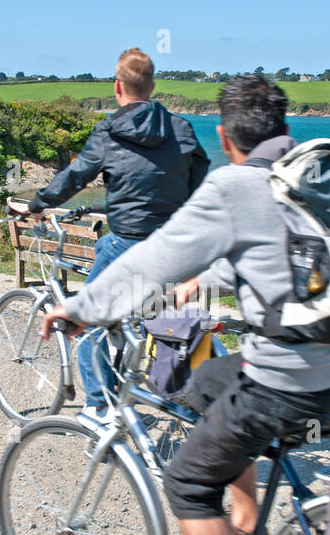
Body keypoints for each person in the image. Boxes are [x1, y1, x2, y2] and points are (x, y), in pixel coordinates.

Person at [41, 74, 330, 535]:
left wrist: (81, 308)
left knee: (186, 482)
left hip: (286, 379)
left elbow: (153, 259)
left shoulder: (237, 183)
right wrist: (213, 278)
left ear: (225, 136)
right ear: (283, 127)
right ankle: (245, 522)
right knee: (208, 385)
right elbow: (288, 253)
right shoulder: (314, 172)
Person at [11, 48, 209, 413]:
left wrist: (36, 205)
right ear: (152, 86)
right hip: (173, 245)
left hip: (128, 243)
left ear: (117, 86)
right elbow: (198, 176)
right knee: (155, 310)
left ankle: (99, 410)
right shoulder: (181, 128)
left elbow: (75, 176)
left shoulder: (109, 131)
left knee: (88, 322)